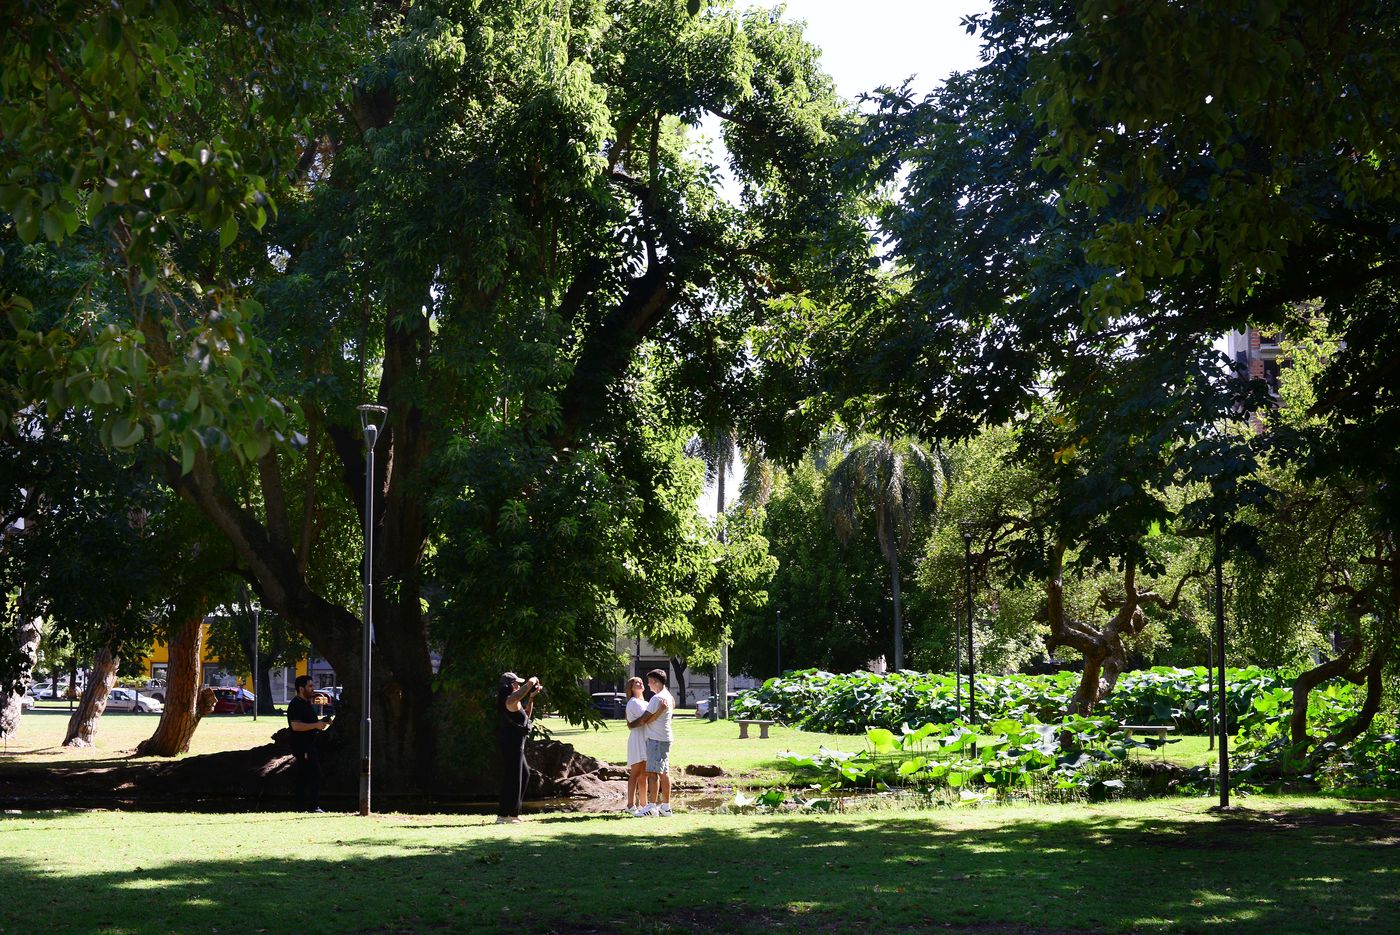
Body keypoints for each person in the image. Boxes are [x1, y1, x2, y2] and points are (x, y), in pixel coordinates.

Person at [497, 671, 542, 825]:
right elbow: (516, 696)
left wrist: (531, 697)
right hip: (511, 744)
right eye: (516, 683)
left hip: (517, 744)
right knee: (513, 777)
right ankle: (507, 815)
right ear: (509, 685)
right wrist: (530, 683)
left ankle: (510, 813)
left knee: (525, 774)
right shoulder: (508, 699)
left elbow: (526, 716)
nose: (518, 685)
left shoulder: (514, 701)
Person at [630, 668, 674, 817]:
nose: (648, 685)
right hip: (666, 738)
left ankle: (651, 807)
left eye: (649, 682)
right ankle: (666, 807)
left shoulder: (657, 698)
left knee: (653, 773)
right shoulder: (669, 696)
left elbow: (645, 719)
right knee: (664, 773)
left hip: (656, 739)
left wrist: (630, 725)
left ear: (655, 682)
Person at [286, 675, 332, 812]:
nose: (313, 689)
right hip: (303, 746)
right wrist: (316, 725)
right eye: (310, 686)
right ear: (301, 688)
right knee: (314, 775)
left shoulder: (306, 703)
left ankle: (301, 806)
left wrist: (323, 722)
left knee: (305, 776)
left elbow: (309, 723)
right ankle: (312, 806)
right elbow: (296, 726)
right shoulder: (295, 704)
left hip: (310, 744)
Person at [623, 676, 649, 816]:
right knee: (635, 772)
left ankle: (644, 805)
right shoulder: (633, 703)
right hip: (637, 739)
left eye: (641, 682)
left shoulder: (644, 702)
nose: (640, 684)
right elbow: (645, 719)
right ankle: (630, 804)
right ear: (631, 688)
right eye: (636, 683)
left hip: (645, 739)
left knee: (644, 774)